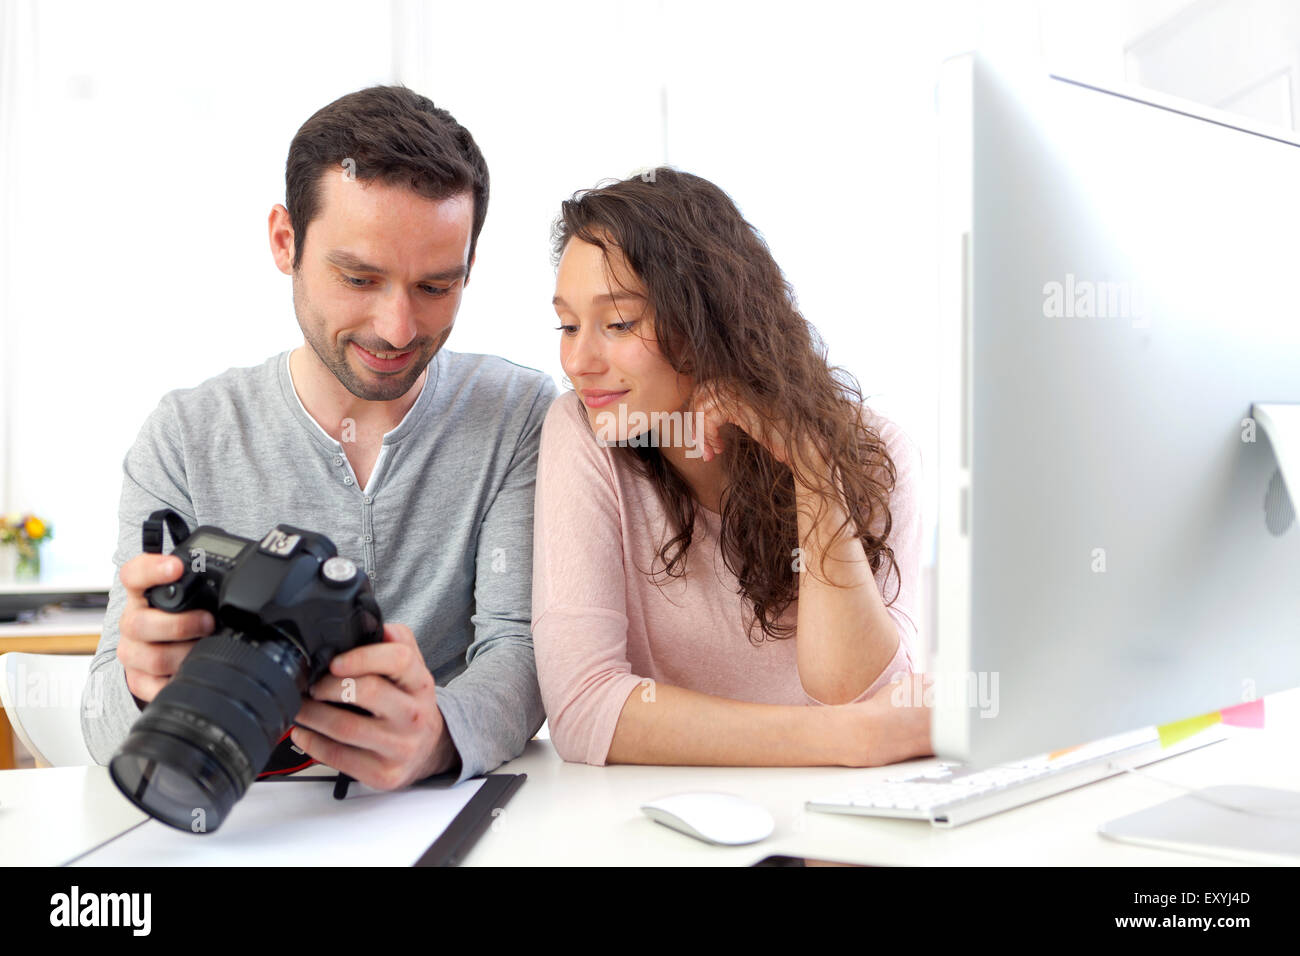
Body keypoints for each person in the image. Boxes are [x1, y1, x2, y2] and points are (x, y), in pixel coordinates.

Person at [81, 85, 557, 788]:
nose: (397, 329)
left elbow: (517, 648)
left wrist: (441, 738)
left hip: (437, 809)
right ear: (285, 241)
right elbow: (98, 718)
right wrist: (143, 683)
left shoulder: (516, 414)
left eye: (435, 287)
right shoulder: (184, 437)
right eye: (358, 277)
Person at [534, 167, 932, 767]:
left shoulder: (877, 454)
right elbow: (585, 708)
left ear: (706, 320)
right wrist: (849, 738)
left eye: (618, 324)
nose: (579, 360)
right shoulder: (584, 436)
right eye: (567, 325)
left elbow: (856, 690)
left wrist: (813, 471)